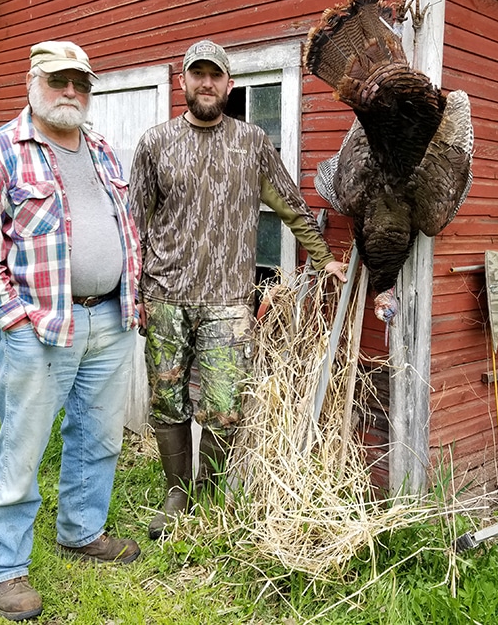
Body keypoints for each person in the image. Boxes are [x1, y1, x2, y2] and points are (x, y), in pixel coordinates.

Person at [0, 41, 143, 622]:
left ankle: (81, 532)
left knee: (99, 438)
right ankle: (6, 568)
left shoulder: (101, 150)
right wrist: (14, 322)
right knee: (24, 446)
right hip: (40, 328)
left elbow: (123, 230)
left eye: (80, 83)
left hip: (110, 318)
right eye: (59, 80)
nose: (70, 92)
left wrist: (130, 298)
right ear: (33, 83)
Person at [129, 39, 347, 540]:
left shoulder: (252, 143)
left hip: (229, 302)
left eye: (215, 75)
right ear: (183, 81)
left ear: (230, 84)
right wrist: (134, 293)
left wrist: (323, 258)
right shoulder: (155, 143)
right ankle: (176, 493)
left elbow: (290, 204)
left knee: (225, 407)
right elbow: (133, 223)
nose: (206, 83)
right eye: (197, 74)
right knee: (167, 400)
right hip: (165, 297)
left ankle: (207, 490)